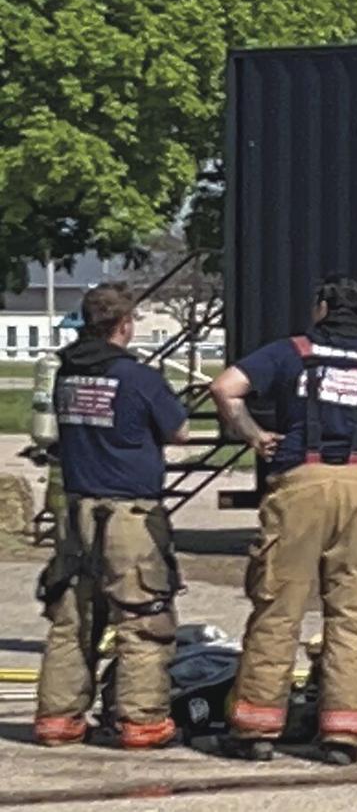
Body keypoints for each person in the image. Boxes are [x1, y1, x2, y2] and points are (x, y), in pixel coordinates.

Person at [209, 276, 357, 765]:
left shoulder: (289, 352)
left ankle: (255, 729)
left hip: (299, 485)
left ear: (321, 309)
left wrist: (254, 434)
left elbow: (225, 388)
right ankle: (343, 733)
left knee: (277, 609)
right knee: (353, 614)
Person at [32, 283, 190, 749]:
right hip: (130, 515)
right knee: (143, 617)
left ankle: (58, 719)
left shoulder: (65, 372)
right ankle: (141, 722)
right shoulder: (139, 377)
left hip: (76, 511)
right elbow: (178, 431)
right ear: (125, 324)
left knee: (73, 615)